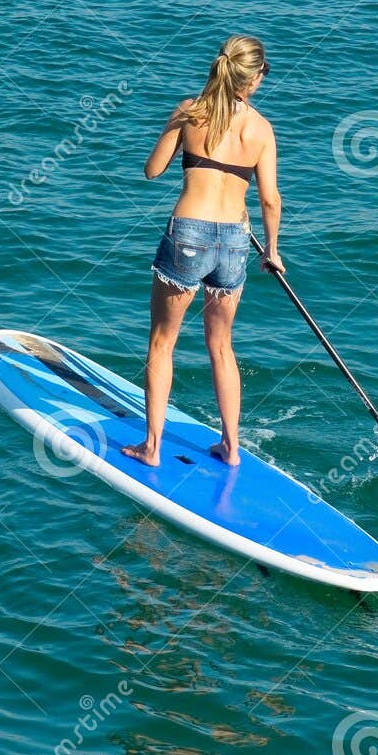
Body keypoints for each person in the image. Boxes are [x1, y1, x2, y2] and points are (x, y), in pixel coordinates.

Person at [122, 35, 282, 470]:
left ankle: (151, 447)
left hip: (188, 234)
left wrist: (175, 127)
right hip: (235, 240)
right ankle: (231, 448)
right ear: (254, 79)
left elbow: (152, 170)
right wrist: (272, 251)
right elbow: (269, 199)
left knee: (162, 342)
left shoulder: (191, 111)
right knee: (221, 346)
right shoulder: (262, 130)